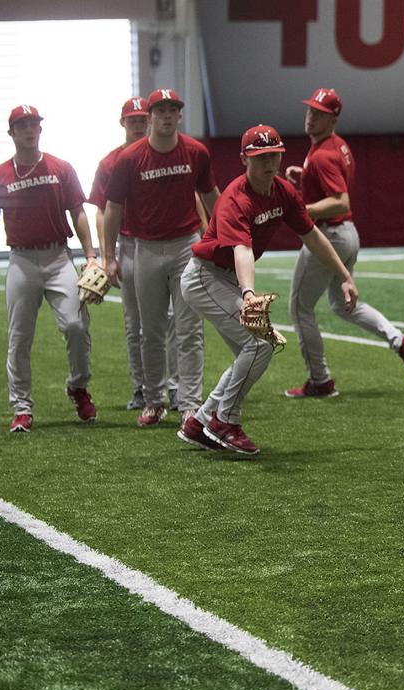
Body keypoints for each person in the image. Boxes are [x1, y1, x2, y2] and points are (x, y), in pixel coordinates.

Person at [178, 125, 359, 455]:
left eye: (274, 154)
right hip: (205, 278)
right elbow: (242, 250)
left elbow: (313, 236)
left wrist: (344, 274)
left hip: (224, 279)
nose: (270, 162)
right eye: (261, 156)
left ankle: (200, 421)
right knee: (259, 344)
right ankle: (224, 421)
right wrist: (249, 294)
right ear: (244, 159)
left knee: (252, 350)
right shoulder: (236, 197)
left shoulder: (283, 192)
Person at [283, 87, 404, 398]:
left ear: (332, 119)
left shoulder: (322, 155)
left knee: (299, 307)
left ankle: (319, 380)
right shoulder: (335, 146)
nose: (310, 118)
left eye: (319, 114)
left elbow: (339, 201)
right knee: (345, 305)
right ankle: (401, 342)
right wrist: (304, 176)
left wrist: (302, 209)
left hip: (328, 235)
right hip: (346, 235)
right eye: (310, 111)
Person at [102, 88, 220, 428]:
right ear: (150, 116)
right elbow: (113, 208)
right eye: (161, 110)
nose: (167, 116)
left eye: (173, 110)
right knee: (149, 331)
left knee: (189, 329)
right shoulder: (129, 158)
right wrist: (110, 257)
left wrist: (224, 237)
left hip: (186, 245)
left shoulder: (196, 152)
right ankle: (153, 401)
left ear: (179, 115)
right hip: (145, 248)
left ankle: (189, 403)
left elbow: (211, 195)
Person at [0, 104, 98, 433]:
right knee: (19, 338)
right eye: (23, 125)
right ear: (12, 133)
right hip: (22, 261)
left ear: (40, 130)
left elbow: (79, 212)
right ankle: (22, 407)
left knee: (75, 325)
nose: (30, 130)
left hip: (59, 257)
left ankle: (78, 387)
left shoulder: (61, 168)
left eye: (34, 125)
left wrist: (91, 255)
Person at [87, 96, 180, 411]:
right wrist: (106, 254)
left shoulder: (166, 152)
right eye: (133, 120)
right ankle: (142, 388)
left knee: (174, 320)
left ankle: (176, 388)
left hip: (166, 242)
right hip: (129, 244)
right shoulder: (111, 161)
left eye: (143, 119)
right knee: (135, 323)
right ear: (122, 123)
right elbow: (103, 211)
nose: (138, 125)